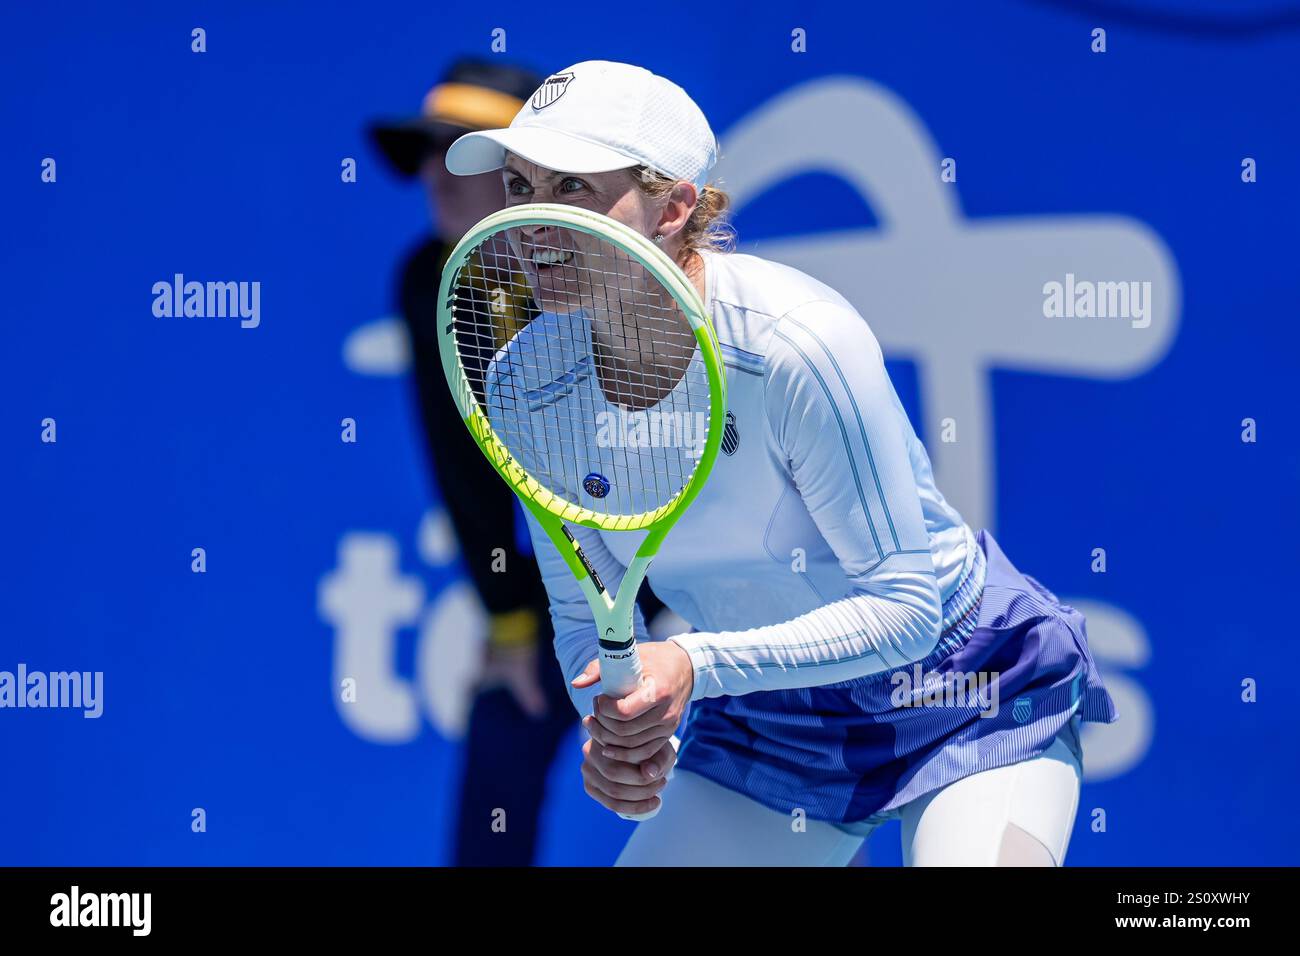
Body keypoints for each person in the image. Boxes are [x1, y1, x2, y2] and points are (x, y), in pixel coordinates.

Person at [443, 59, 1119, 866]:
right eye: (519, 187)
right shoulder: (523, 384)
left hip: (965, 691)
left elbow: (906, 610)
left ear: (675, 206)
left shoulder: (797, 344)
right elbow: (583, 612)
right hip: (765, 718)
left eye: (572, 188)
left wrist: (691, 662)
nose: (530, 222)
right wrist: (622, 727)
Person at [369, 58, 574, 867]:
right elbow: (463, 468)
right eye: (428, 153)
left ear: (528, 178)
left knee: (762, 770)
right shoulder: (430, 281)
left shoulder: (604, 275)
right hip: (579, 586)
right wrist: (513, 620)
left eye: (463, 154)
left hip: (700, 574)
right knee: (505, 715)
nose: (436, 178)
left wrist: (670, 616)